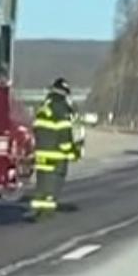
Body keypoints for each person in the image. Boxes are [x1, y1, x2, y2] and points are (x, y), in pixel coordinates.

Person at [30, 77, 82, 219]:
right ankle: (47, 211)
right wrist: (72, 152)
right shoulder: (61, 108)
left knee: (42, 181)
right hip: (56, 154)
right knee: (54, 182)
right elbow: (64, 134)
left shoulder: (45, 105)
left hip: (41, 152)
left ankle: (38, 209)